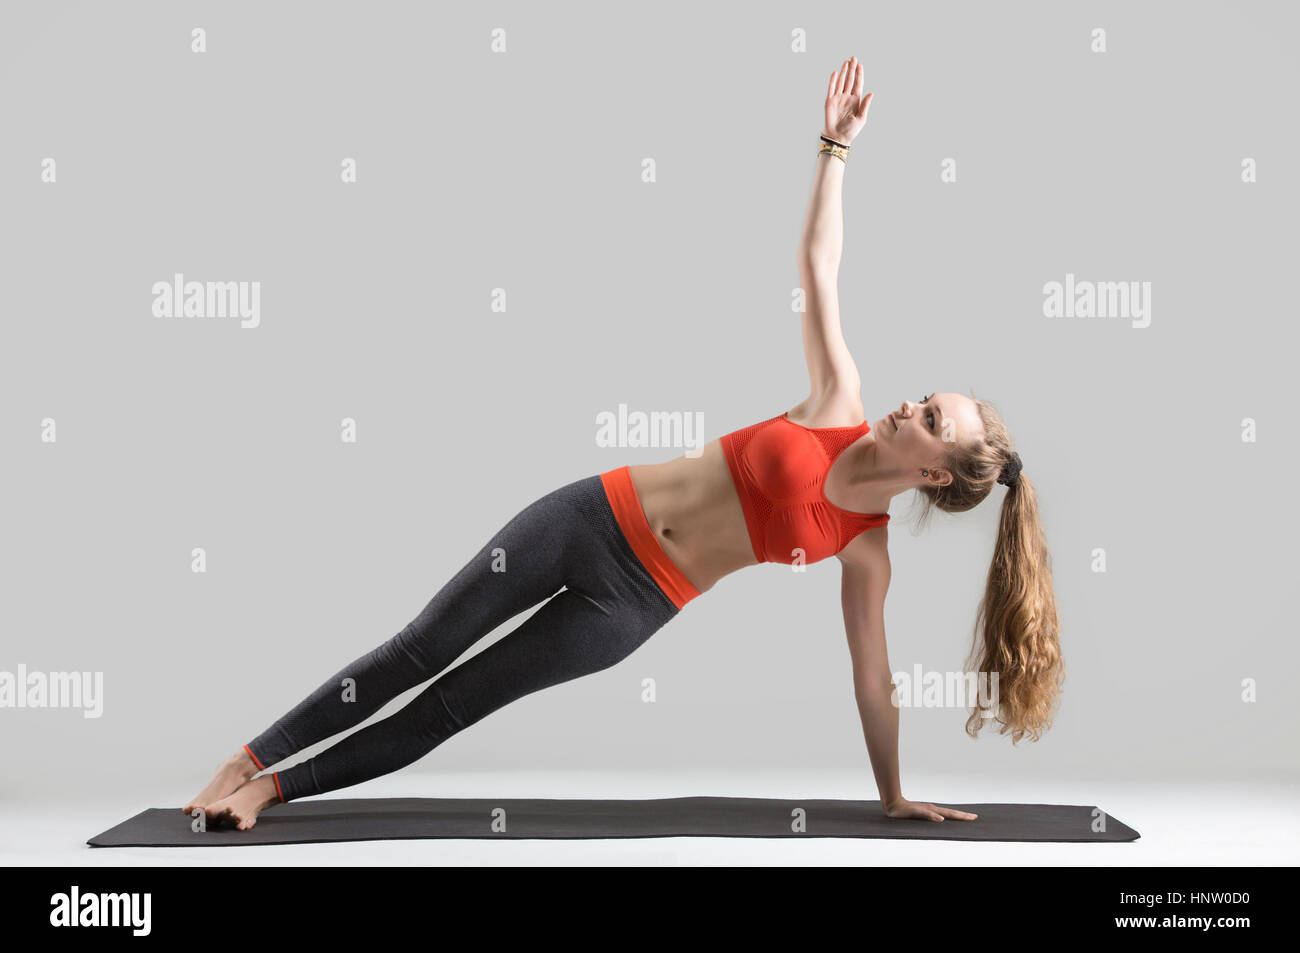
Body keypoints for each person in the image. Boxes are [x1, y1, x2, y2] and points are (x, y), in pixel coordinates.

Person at [184, 56, 1062, 831]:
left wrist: (894, 793)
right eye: (926, 400)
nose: (911, 406)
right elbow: (818, 265)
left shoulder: (866, 553)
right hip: (588, 518)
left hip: (632, 608)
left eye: (932, 419)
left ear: (937, 472)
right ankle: (249, 758)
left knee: (450, 707)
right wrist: (834, 151)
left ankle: (273, 792)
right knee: (420, 649)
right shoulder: (841, 396)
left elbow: (873, 683)